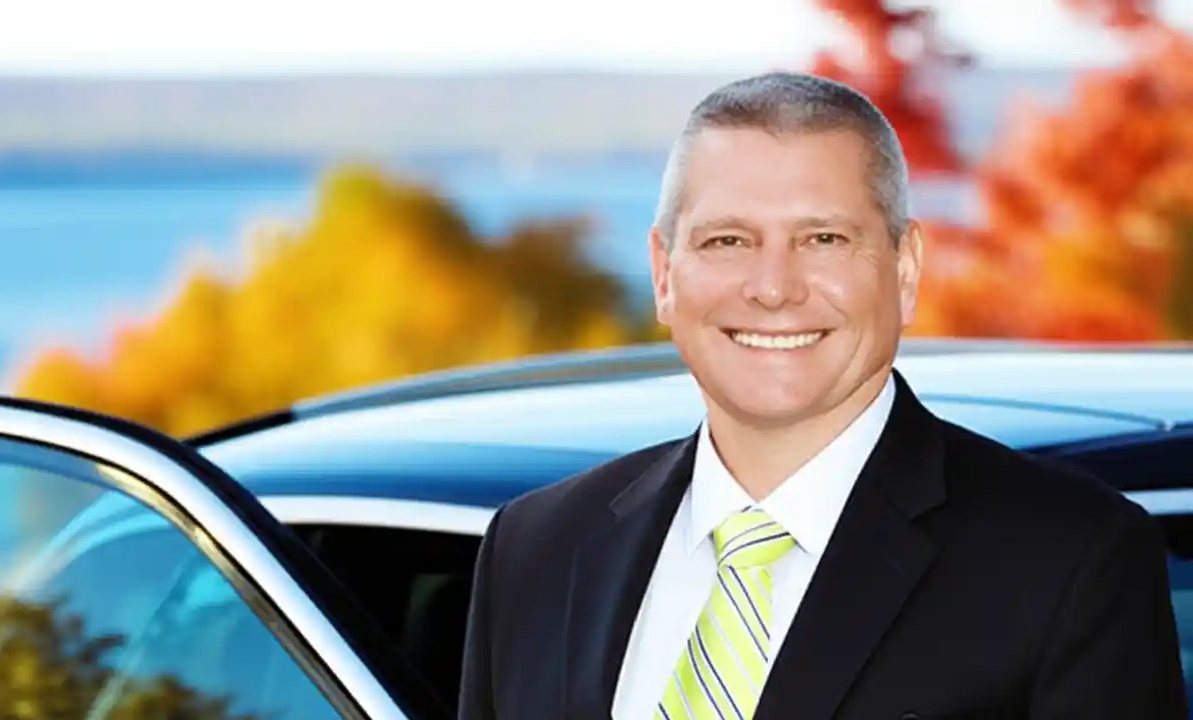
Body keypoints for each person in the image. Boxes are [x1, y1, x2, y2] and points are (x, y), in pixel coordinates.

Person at [457, 72, 1186, 720]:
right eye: (727, 242)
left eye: (824, 239)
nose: (774, 288)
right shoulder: (536, 550)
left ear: (904, 269)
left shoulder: (1070, 561)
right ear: (664, 273)